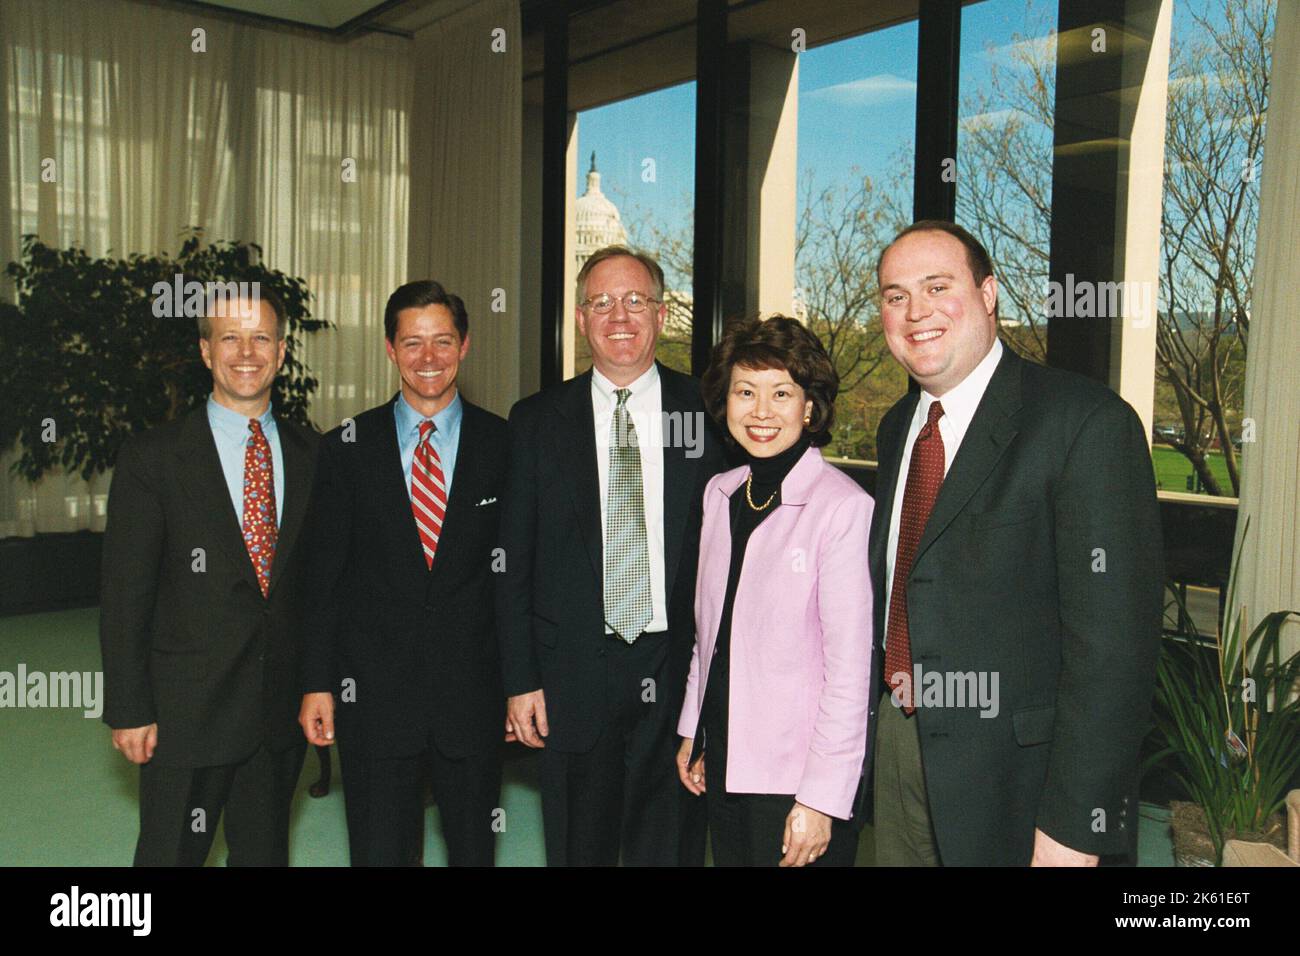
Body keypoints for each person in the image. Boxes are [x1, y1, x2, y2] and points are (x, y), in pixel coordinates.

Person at [864, 220, 1164, 866]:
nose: (915, 312)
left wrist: (1075, 827)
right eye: (895, 295)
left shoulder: (1085, 424)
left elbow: (1115, 654)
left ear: (989, 292)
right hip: (900, 747)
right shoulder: (897, 431)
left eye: (937, 286)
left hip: (1020, 789)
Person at [497, 245, 727, 865]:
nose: (619, 315)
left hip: (677, 665)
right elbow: (512, 561)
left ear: (660, 314)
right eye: (601, 302)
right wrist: (520, 680)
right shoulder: (537, 420)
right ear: (580, 319)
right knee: (579, 844)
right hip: (572, 670)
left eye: (635, 301)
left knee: (670, 842)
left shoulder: (707, 414)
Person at [99, 290, 319, 866]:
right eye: (229, 337)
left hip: (276, 715)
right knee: (170, 856)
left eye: (262, 338)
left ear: (283, 350)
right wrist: (128, 705)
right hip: (183, 714)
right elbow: (126, 594)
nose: (246, 352)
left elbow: (317, 589)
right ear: (205, 350)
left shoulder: (311, 453)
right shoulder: (153, 458)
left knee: (265, 855)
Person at [298, 280, 507, 867]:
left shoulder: (506, 444)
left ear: (465, 345)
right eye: (412, 343)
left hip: (473, 697)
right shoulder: (344, 447)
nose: (429, 358)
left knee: (474, 851)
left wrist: (521, 685)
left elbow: (517, 583)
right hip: (374, 698)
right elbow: (324, 580)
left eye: (443, 341)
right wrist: (318, 682)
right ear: (390, 349)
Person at [675, 316, 874, 867]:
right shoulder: (720, 494)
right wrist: (694, 729)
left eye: (781, 393)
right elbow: (707, 634)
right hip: (725, 760)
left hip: (797, 780)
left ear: (809, 408)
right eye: (745, 392)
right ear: (725, 403)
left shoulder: (843, 508)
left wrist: (821, 798)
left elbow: (850, 672)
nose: (761, 411)